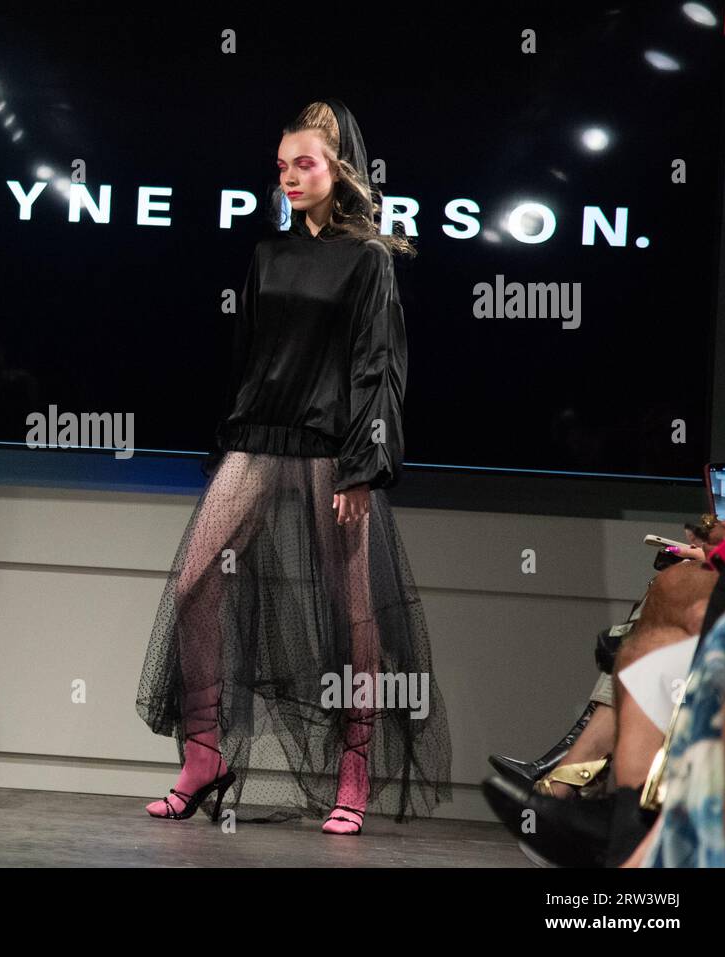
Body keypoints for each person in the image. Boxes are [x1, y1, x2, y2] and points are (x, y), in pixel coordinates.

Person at [136, 99, 450, 834]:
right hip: (259, 436)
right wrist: (231, 440)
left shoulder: (368, 258)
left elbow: (379, 368)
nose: (288, 178)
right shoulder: (268, 253)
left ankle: (355, 764)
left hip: (330, 446)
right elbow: (249, 358)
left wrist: (363, 464)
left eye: (302, 164)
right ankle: (205, 754)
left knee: (352, 609)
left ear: (339, 170)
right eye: (280, 168)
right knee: (191, 583)